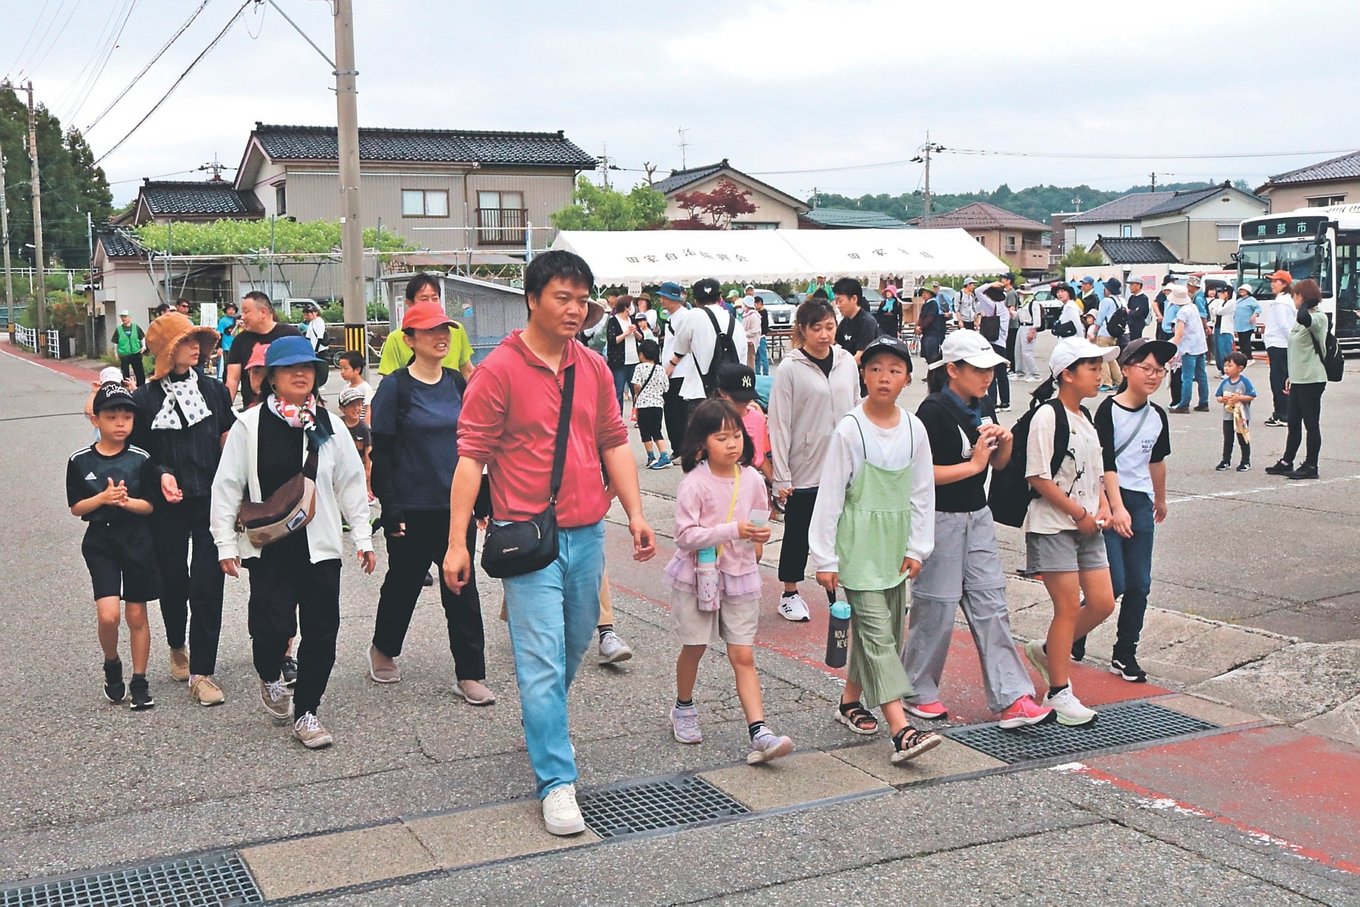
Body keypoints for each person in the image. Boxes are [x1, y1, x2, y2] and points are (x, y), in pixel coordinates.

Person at [442, 249, 656, 837]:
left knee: (577, 641)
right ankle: (557, 780)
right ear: (532, 299)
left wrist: (636, 512)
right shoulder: (498, 371)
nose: (575, 309)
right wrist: (456, 541)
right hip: (528, 540)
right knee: (539, 660)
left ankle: (542, 725)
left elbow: (614, 440)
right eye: (563, 297)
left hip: (588, 532)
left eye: (583, 300)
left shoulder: (590, 366)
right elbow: (470, 461)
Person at [211, 336, 376, 749]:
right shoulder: (249, 425)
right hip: (269, 547)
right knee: (272, 630)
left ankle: (307, 711)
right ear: (272, 379)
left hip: (320, 548)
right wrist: (224, 545)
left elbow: (351, 484)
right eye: (290, 369)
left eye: (308, 368)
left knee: (322, 632)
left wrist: (362, 536)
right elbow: (227, 486)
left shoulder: (330, 426)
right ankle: (270, 675)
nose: (301, 374)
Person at [901, 332, 1054, 729]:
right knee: (935, 606)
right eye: (979, 369)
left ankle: (1012, 696)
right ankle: (916, 689)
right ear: (953, 370)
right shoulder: (931, 412)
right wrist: (972, 465)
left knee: (992, 604)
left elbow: (999, 464)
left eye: (991, 369)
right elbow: (919, 474)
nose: (987, 377)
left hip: (977, 515)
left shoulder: (982, 404)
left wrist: (1003, 442)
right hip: (941, 518)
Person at [808, 337, 951, 761]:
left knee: (887, 633)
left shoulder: (914, 427)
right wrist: (825, 558)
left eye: (893, 369)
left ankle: (850, 701)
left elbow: (923, 493)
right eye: (874, 369)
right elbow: (830, 495)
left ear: (908, 379)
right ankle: (902, 730)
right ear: (862, 376)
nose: (883, 377)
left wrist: (918, 548)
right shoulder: (850, 429)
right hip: (857, 548)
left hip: (894, 549)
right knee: (876, 636)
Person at [366, 302, 492, 702]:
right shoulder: (396, 387)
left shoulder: (457, 382)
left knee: (462, 587)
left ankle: (470, 673)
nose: (442, 337)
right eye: (431, 331)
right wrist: (390, 507)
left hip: (456, 507)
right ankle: (384, 648)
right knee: (403, 584)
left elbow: (473, 447)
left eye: (446, 330)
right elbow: (381, 451)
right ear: (409, 340)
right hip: (411, 506)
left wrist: (483, 497)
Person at [666, 399, 793, 763]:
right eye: (722, 437)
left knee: (743, 654)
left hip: (739, 576)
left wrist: (758, 537)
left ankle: (759, 731)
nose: (733, 444)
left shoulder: (752, 478)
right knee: (695, 646)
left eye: (737, 435)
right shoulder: (694, 483)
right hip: (697, 577)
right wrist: (731, 530)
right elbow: (684, 536)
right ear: (702, 444)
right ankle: (684, 707)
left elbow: (759, 519)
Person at [130, 313, 235, 706]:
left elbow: (228, 434)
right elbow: (139, 452)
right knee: (174, 579)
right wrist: (160, 473)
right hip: (167, 504)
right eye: (188, 341)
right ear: (167, 350)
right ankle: (177, 644)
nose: (197, 347)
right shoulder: (144, 399)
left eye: (199, 341)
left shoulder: (215, 391)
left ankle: (202, 671)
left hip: (211, 499)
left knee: (209, 583)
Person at [1021, 337, 1118, 726]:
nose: (1099, 375)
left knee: (1102, 603)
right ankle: (1059, 690)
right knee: (1065, 607)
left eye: (1099, 367)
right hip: (1053, 526)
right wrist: (1079, 511)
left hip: (1087, 525)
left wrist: (1105, 507)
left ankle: (1049, 652)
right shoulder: (1048, 415)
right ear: (1066, 374)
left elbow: (1097, 473)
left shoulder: (1086, 418)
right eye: (1092, 368)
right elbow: (1038, 476)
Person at [67, 382, 162, 711]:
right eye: (112, 416)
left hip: (137, 538)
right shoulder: (79, 461)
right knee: (108, 616)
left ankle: (139, 680)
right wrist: (103, 498)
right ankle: (112, 662)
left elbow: (150, 506)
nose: (120, 423)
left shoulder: (141, 459)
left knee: (137, 613)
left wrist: (126, 502)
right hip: (100, 541)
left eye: (127, 417)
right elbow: (77, 507)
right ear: (96, 420)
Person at [1084, 338, 1175, 681]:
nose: (1154, 376)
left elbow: (1157, 460)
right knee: (1115, 583)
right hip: (1110, 500)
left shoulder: (1157, 416)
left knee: (1140, 584)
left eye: (1160, 370)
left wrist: (1160, 499)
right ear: (1125, 369)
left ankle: (1125, 653)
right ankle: (1077, 628)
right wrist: (1116, 508)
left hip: (1140, 501)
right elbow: (1105, 462)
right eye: (1147, 368)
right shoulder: (1108, 410)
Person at [768, 299, 859, 623]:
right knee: (799, 532)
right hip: (804, 466)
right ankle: (789, 593)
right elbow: (779, 423)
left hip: (845, 464)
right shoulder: (790, 369)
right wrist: (781, 475)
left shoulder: (846, 361)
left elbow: (857, 407)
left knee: (845, 529)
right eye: (816, 328)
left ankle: (847, 590)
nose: (824, 334)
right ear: (802, 330)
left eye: (830, 327)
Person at [1265, 278, 1329, 481]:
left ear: (1302, 297)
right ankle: (1287, 461)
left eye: (1296, 296)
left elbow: (1303, 318)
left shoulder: (1318, 318)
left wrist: (1308, 303)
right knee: (1293, 422)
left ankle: (1311, 465)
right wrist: (1291, 376)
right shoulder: (1302, 318)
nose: (1293, 299)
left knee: (1311, 423)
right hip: (1299, 378)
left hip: (1312, 378)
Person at [667, 277, 746, 414]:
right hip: (732, 396)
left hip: (700, 392)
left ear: (696, 301)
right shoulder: (736, 323)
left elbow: (680, 347)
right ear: (720, 298)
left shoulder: (693, 315)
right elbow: (743, 361)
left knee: (702, 435)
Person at [376, 274, 476, 379]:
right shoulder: (395, 338)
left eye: (435, 298)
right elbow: (388, 380)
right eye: (424, 299)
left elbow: (467, 371)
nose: (430, 304)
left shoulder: (456, 329)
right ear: (409, 303)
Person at [224, 292, 303, 409]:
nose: (243, 317)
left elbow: (304, 371)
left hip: (290, 408)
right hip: (253, 410)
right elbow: (232, 379)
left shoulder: (291, 335)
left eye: (246, 312)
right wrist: (225, 411)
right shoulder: (240, 340)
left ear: (263, 312)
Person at [716, 363, 773, 484]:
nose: (744, 403)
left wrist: (776, 484)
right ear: (722, 393)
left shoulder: (756, 417)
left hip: (750, 482)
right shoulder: (712, 418)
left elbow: (760, 457)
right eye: (738, 399)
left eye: (747, 398)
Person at [655, 281, 692, 447]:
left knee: (678, 412)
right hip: (671, 370)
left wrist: (671, 363)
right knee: (670, 411)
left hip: (680, 370)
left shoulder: (684, 317)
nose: (662, 301)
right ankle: (677, 447)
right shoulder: (672, 317)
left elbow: (685, 344)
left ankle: (681, 447)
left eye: (664, 297)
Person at [1168, 284, 1210, 413]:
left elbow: (1179, 333)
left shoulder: (1182, 312)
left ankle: (1184, 404)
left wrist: (1172, 348)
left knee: (1186, 377)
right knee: (1201, 375)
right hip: (1200, 345)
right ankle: (1204, 402)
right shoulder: (1193, 307)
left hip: (1188, 347)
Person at [632, 339, 673, 470]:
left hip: (643, 405)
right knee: (657, 431)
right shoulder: (661, 370)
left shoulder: (639, 367)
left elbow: (637, 385)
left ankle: (651, 457)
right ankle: (664, 455)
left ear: (641, 354)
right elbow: (666, 387)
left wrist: (637, 393)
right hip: (657, 405)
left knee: (645, 432)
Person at [1262, 270, 1294, 427]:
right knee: (1282, 379)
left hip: (1279, 345)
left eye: (1276, 281)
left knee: (1278, 380)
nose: (1272, 284)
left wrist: (1293, 343)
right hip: (1281, 345)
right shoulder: (1286, 300)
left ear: (1285, 284)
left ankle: (1282, 414)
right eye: (1272, 281)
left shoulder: (1282, 302)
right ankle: (1283, 412)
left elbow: (1284, 325)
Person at [1215, 352, 1256, 472]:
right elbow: (1218, 396)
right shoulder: (1225, 382)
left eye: (1230, 365)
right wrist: (1222, 399)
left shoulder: (1244, 382)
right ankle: (1226, 460)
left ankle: (1245, 461)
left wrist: (1240, 398)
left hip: (1241, 416)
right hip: (1228, 415)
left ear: (1240, 368)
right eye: (1225, 366)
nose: (1226, 368)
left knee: (1242, 437)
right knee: (1228, 438)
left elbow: (1252, 395)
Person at [977, 284, 1010, 411]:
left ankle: (993, 402)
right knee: (1002, 375)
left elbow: (978, 291)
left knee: (991, 374)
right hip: (1002, 343)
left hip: (992, 343)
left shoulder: (992, 306)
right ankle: (1005, 402)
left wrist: (990, 284)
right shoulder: (1004, 309)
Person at [606, 295, 641, 411]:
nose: (632, 308)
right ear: (625, 307)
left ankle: (637, 415)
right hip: (619, 362)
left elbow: (641, 338)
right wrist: (626, 333)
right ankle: (617, 417)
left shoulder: (633, 320)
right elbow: (612, 340)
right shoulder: (613, 321)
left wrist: (635, 332)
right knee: (618, 391)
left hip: (634, 359)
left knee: (636, 390)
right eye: (631, 305)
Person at [337, 387, 373, 497]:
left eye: (359, 405)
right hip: (343, 468)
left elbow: (368, 450)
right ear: (342, 408)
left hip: (359, 467)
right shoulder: (338, 424)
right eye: (352, 405)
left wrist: (367, 470)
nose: (357, 408)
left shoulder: (364, 429)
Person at [1155, 276, 1183, 409]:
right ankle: (1175, 399)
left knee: (1176, 369)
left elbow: (1178, 325)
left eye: (1169, 292)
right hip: (1165, 332)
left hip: (1174, 336)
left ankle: (1178, 400)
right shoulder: (1166, 303)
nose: (1166, 294)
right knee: (1172, 369)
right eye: (1165, 291)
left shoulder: (1179, 307)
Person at [1095, 278, 1125, 390]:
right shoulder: (1120, 301)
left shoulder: (1106, 301)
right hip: (1114, 333)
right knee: (1111, 359)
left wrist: (1094, 331)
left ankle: (1106, 382)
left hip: (1104, 333)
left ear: (1108, 289)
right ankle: (1119, 381)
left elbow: (1100, 318)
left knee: (1102, 358)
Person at [1015, 288, 1045, 381]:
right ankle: (1020, 373)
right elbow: (1017, 315)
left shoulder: (1033, 303)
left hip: (1029, 327)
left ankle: (1035, 374)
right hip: (1021, 326)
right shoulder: (1023, 304)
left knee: (1027, 352)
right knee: (1018, 351)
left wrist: (1033, 330)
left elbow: (1037, 318)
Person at [336, 350, 373, 425]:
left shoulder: (365, 388)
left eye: (346, 368)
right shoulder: (345, 387)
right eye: (341, 368)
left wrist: (366, 429)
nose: (342, 372)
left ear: (357, 370)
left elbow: (367, 410)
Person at [111, 311, 147, 388]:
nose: (123, 318)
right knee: (125, 373)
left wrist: (144, 346)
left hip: (136, 352)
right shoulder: (119, 329)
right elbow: (115, 342)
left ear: (129, 317)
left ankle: (141, 387)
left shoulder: (135, 327)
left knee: (139, 372)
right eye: (122, 317)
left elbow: (142, 337)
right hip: (124, 354)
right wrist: (116, 353)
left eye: (125, 316)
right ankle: (126, 388)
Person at [915, 285, 948, 364]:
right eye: (923, 293)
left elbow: (930, 318)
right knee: (927, 355)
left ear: (931, 294)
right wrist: (917, 326)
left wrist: (920, 326)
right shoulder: (925, 304)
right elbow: (921, 317)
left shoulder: (933, 303)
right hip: (926, 333)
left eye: (926, 293)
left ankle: (933, 374)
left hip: (932, 333)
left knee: (932, 357)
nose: (924, 295)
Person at [1209, 284, 1235, 376]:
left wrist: (1219, 302)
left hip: (1225, 330)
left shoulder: (1231, 303)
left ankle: (1228, 371)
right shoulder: (1222, 302)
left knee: (1225, 351)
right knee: (1218, 351)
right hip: (1217, 328)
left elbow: (1219, 311)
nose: (1221, 294)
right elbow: (1212, 310)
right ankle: (1221, 369)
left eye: (1224, 292)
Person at [1233, 283, 1262, 359]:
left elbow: (1258, 308)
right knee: (1241, 341)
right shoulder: (1238, 300)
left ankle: (1248, 357)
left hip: (1247, 324)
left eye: (1243, 290)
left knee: (1246, 341)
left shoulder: (1251, 300)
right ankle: (1243, 356)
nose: (1241, 291)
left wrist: (1254, 316)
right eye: (1240, 290)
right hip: (1239, 324)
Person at [215, 302, 238, 380]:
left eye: (233, 309)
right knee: (227, 366)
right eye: (229, 309)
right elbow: (219, 335)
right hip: (226, 347)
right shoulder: (223, 321)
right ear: (226, 311)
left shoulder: (237, 320)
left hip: (236, 346)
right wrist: (219, 347)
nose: (231, 311)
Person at [751, 292, 771, 376]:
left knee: (763, 357)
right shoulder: (758, 312)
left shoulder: (763, 312)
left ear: (759, 303)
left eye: (755, 304)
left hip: (761, 337)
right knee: (757, 358)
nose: (754, 306)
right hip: (757, 337)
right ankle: (757, 373)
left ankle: (766, 373)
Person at [1125, 277, 1150, 343]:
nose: (1130, 287)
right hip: (1129, 326)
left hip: (1137, 326)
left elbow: (1139, 313)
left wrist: (1130, 312)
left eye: (1132, 284)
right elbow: (1128, 309)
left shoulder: (1144, 298)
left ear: (1138, 285)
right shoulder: (1132, 297)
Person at [741, 295, 762, 370]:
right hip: (746, 341)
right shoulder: (746, 315)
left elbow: (755, 331)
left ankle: (750, 378)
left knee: (750, 362)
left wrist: (744, 333)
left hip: (751, 343)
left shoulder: (754, 316)